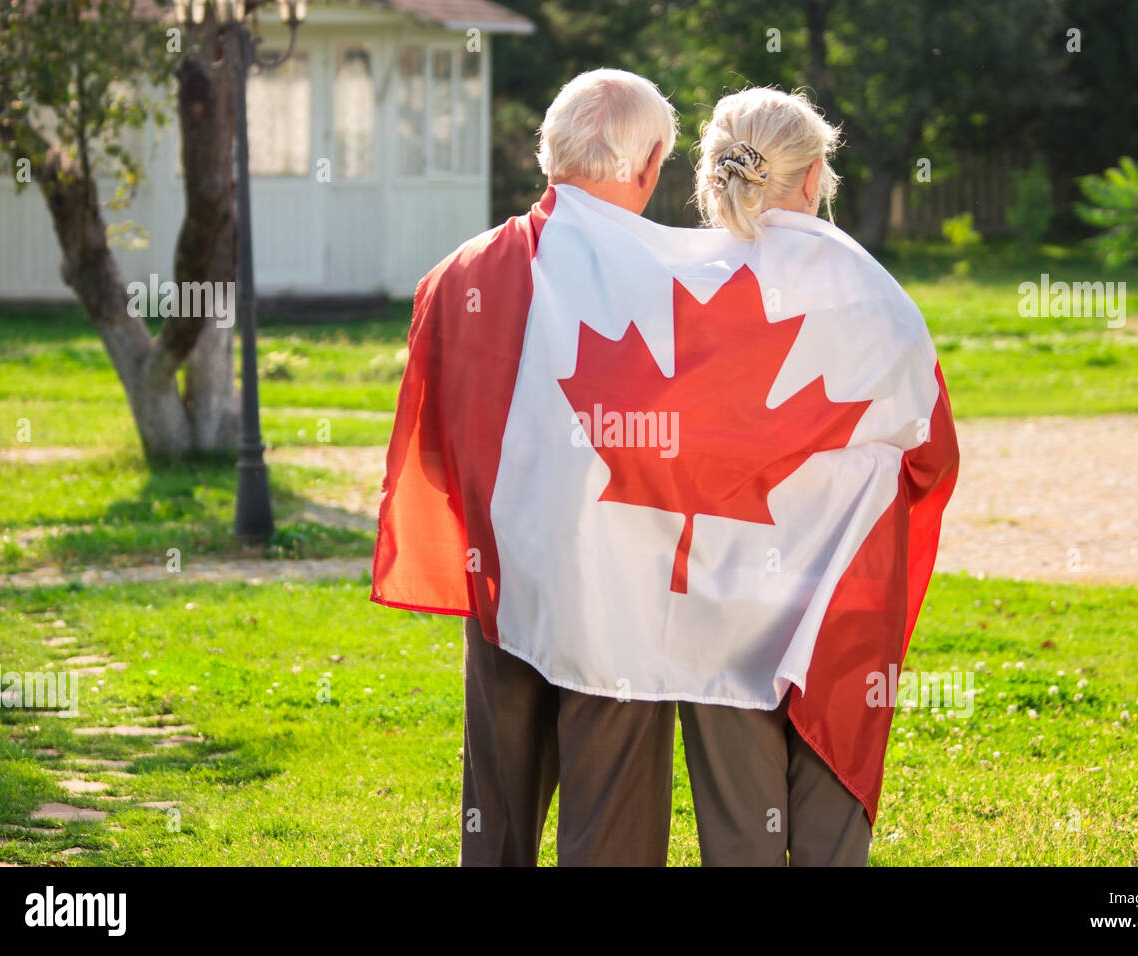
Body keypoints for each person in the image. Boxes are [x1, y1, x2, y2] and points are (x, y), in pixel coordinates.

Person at [371, 69, 680, 866]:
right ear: (645, 166)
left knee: (496, 826)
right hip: (624, 599)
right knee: (611, 827)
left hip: (502, 579)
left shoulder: (457, 274)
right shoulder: (677, 278)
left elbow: (431, 446)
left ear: (549, 153)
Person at [674, 87, 960, 866]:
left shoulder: (675, 280)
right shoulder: (874, 287)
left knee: (739, 830)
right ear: (812, 177)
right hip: (846, 591)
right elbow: (933, 450)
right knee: (835, 827)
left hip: (717, 581)